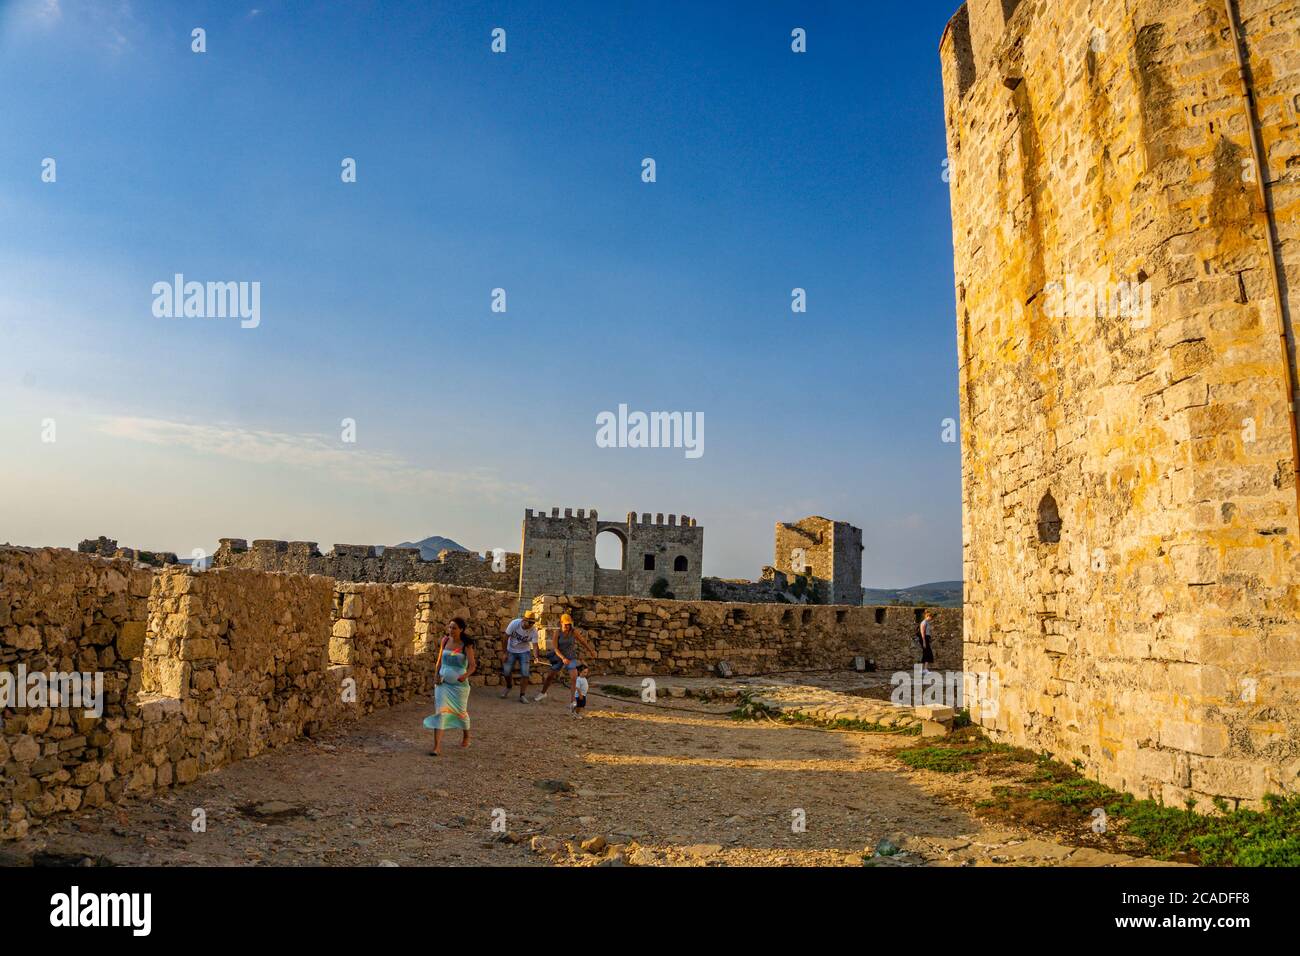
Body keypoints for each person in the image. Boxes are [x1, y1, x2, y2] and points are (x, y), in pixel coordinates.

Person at [423, 617, 476, 755]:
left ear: (461, 630)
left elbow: (472, 665)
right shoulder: (445, 641)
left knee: (461, 712)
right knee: (440, 712)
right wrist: (436, 676)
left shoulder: (466, 645)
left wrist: (465, 676)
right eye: (450, 627)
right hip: (443, 684)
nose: (451, 630)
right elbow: (439, 661)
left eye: (454, 628)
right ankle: (437, 747)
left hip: (459, 687)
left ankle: (466, 736)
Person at [534, 613, 596, 702]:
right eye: (566, 624)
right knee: (550, 677)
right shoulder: (557, 633)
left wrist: (591, 650)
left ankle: (573, 700)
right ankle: (543, 693)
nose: (568, 626)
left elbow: (583, 642)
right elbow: (555, 648)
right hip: (559, 657)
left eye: (569, 624)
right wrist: (563, 658)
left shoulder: (573, 632)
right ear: (561, 623)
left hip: (570, 657)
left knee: (574, 677)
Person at [500, 610, 540, 702]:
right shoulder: (514, 623)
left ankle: (522, 695)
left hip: (524, 651)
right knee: (506, 671)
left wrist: (536, 657)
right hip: (511, 649)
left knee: (525, 673)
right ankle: (509, 686)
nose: (531, 624)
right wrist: (504, 653)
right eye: (530, 622)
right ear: (524, 620)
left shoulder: (533, 631)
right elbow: (505, 637)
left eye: (533, 623)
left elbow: (535, 646)